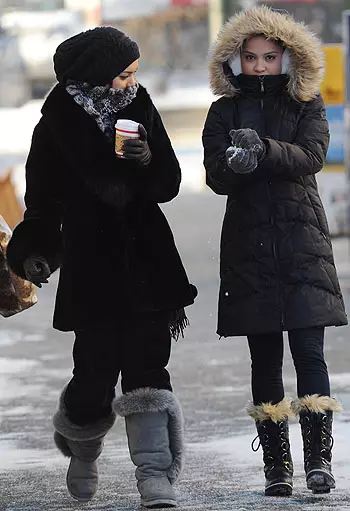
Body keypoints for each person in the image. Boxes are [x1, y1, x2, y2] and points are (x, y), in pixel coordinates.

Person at [7, 26, 197, 508]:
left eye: (135, 74)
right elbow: (43, 204)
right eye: (122, 75)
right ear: (95, 73)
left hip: (149, 262)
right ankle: (83, 449)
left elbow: (169, 183)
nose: (130, 83)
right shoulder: (54, 124)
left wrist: (147, 157)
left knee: (148, 369)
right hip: (91, 267)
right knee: (93, 374)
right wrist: (36, 253)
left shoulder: (139, 106)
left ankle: (155, 476)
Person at [202, 6, 347, 498]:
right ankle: (277, 468)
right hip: (249, 248)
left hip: (303, 244)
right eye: (250, 57)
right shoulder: (223, 111)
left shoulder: (304, 104)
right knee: (263, 360)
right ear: (234, 60)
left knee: (310, 353)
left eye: (269, 56)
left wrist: (263, 149)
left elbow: (311, 157)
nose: (260, 65)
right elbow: (214, 176)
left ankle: (319, 463)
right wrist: (235, 162)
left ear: (287, 58)